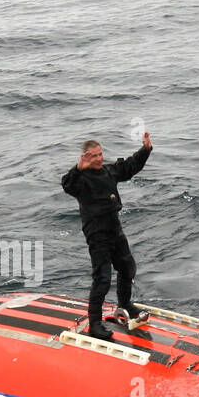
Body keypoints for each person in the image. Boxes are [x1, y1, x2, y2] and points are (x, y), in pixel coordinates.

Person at [61, 131, 153, 340]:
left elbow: (130, 167)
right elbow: (67, 185)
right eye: (93, 155)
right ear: (84, 157)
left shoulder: (108, 171)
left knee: (127, 267)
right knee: (102, 278)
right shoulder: (80, 179)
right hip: (97, 232)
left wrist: (146, 149)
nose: (99, 158)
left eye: (100, 154)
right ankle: (95, 324)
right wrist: (77, 169)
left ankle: (125, 304)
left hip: (114, 227)